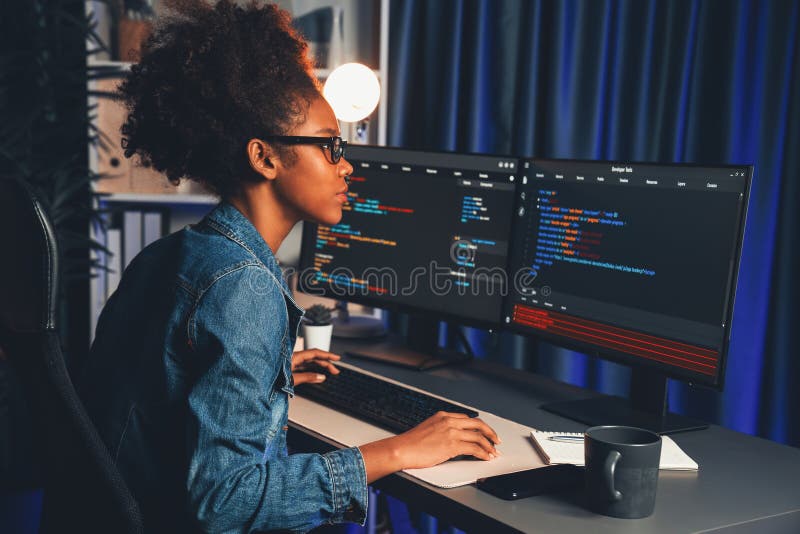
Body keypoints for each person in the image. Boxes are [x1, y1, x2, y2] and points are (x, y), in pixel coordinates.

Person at [78, 1, 500, 533]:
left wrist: (265, 379)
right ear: (265, 158)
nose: (347, 164)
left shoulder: (169, 255)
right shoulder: (244, 287)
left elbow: (157, 397)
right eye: (330, 146)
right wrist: (395, 451)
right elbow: (225, 502)